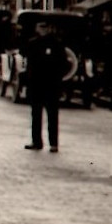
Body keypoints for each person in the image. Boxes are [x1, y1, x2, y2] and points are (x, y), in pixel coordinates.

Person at [22, 21, 65, 152]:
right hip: (36, 84)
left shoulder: (57, 44)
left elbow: (62, 63)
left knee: (52, 115)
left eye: (45, 27)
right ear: (36, 28)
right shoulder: (32, 43)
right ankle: (37, 141)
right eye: (40, 27)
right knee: (36, 114)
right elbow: (29, 65)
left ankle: (53, 143)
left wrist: (58, 80)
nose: (43, 30)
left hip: (51, 85)